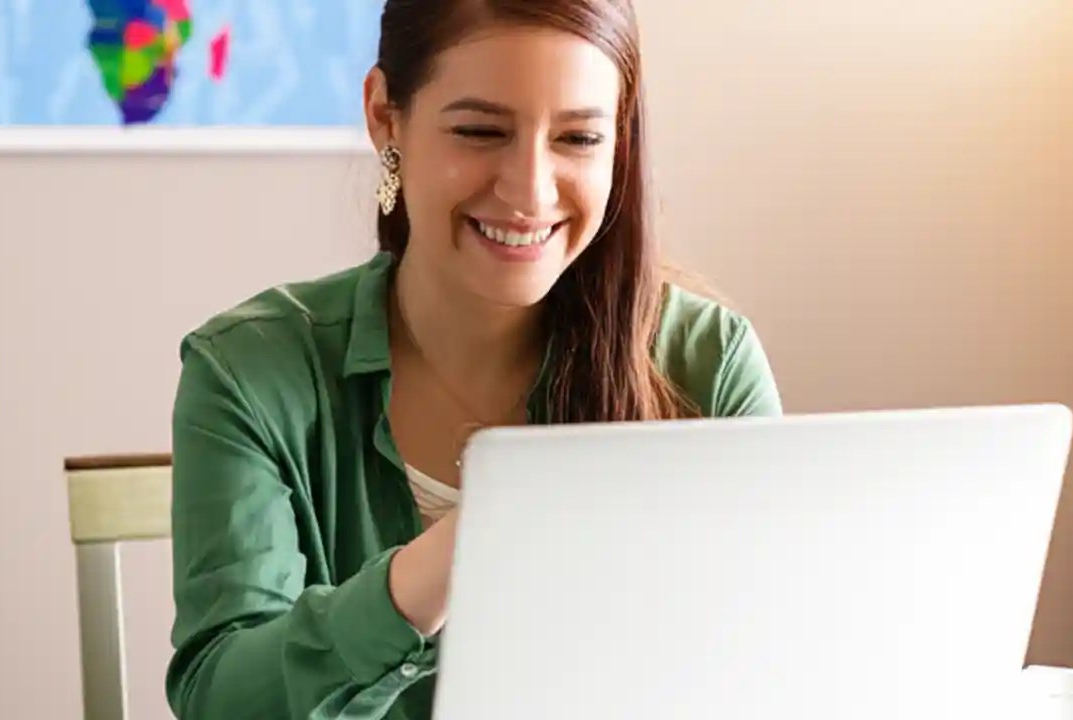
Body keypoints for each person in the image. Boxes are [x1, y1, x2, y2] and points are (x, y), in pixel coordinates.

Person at [164, 0, 782, 718]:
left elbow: (773, 666)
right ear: (384, 117)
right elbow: (221, 699)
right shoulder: (250, 371)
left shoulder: (708, 364)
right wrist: (454, 555)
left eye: (579, 138)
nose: (530, 192)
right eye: (480, 131)